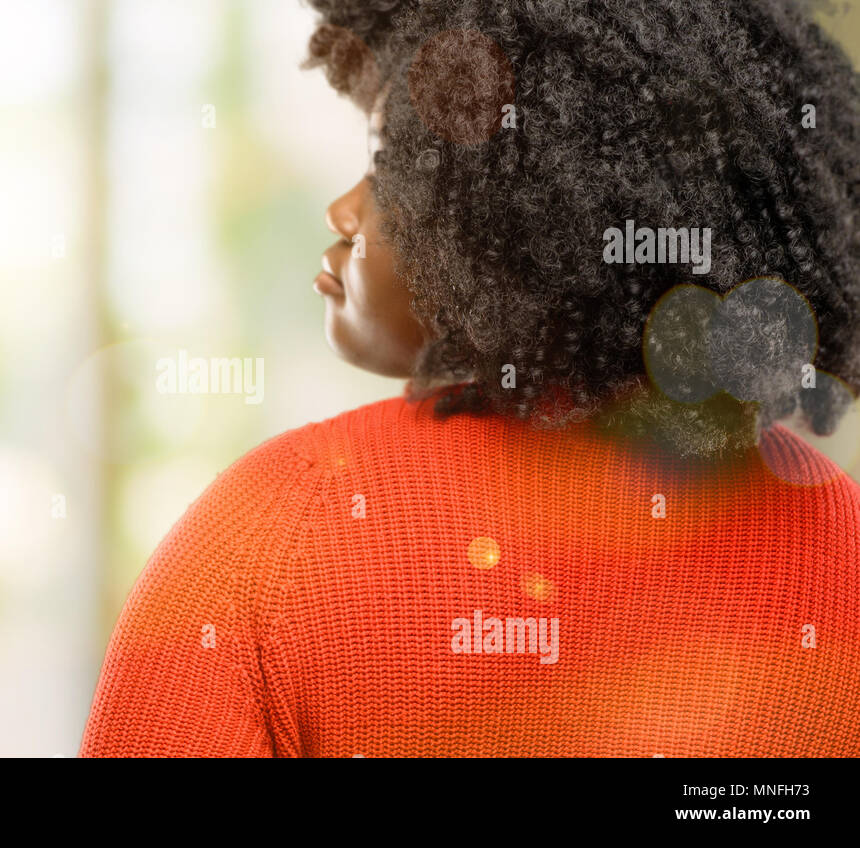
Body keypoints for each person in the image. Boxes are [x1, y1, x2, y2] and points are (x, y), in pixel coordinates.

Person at [79, 0, 860, 757]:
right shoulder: (843, 546)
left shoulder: (275, 530)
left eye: (386, 157)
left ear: (520, 200)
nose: (343, 210)